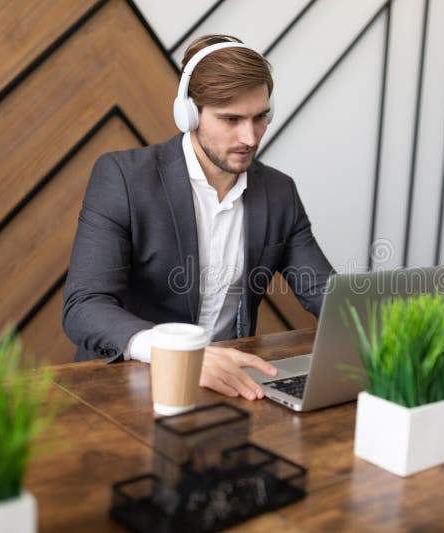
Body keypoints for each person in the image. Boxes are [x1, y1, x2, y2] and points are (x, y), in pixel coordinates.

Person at [62, 34, 333, 401]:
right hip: (130, 386)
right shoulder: (124, 178)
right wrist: (179, 353)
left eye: (260, 118)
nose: (250, 137)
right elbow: (84, 306)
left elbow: (324, 291)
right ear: (188, 114)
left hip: (229, 390)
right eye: (231, 119)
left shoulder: (279, 192)